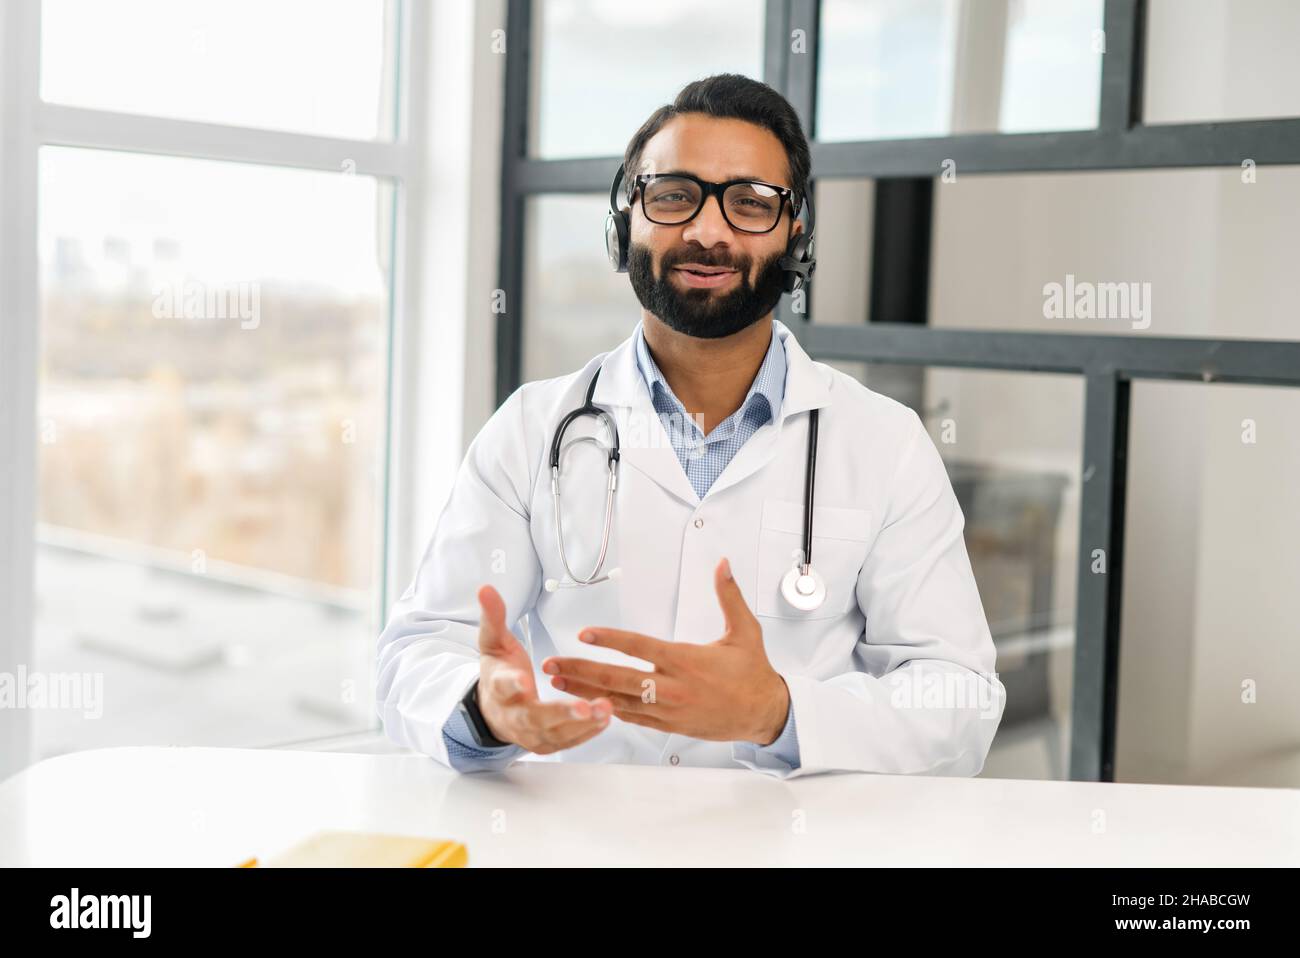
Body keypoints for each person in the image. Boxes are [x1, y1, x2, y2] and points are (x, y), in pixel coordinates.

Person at [376, 74, 1004, 779]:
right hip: (578, 840)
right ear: (626, 223)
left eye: (749, 203)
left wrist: (778, 713)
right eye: (674, 196)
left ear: (794, 234)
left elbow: (959, 696)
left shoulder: (884, 444)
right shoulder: (530, 429)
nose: (708, 231)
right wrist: (484, 711)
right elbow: (416, 651)